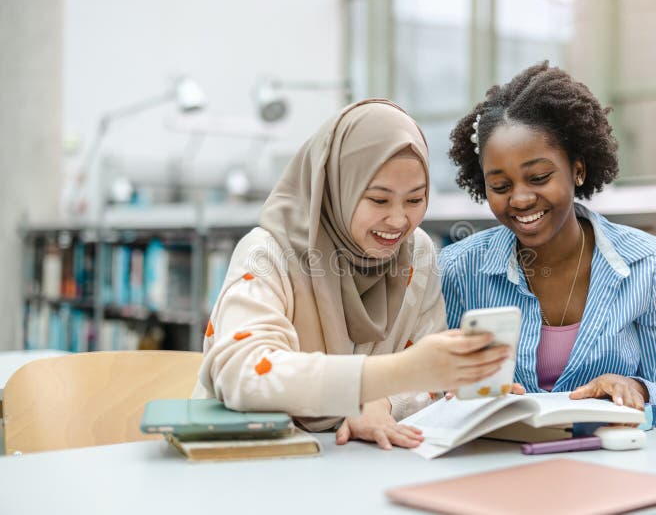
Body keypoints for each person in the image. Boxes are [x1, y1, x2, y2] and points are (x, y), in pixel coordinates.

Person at [194, 99, 511, 450]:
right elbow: (244, 371)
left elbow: (427, 381)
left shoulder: (417, 251)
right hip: (245, 467)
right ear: (336, 187)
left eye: (415, 199)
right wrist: (381, 381)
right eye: (378, 200)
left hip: (357, 473)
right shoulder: (267, 253)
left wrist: (385, 401)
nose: (398, 221)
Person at [439, 62, 656, 430]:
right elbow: (429, 390)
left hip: (607, 468)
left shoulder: (644, 261)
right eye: (500, 186)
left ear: (577, 170)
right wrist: (456, 395)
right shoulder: (457, 267)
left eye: (539, 177)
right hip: (501, 467)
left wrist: (637, 388)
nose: (521, 198)